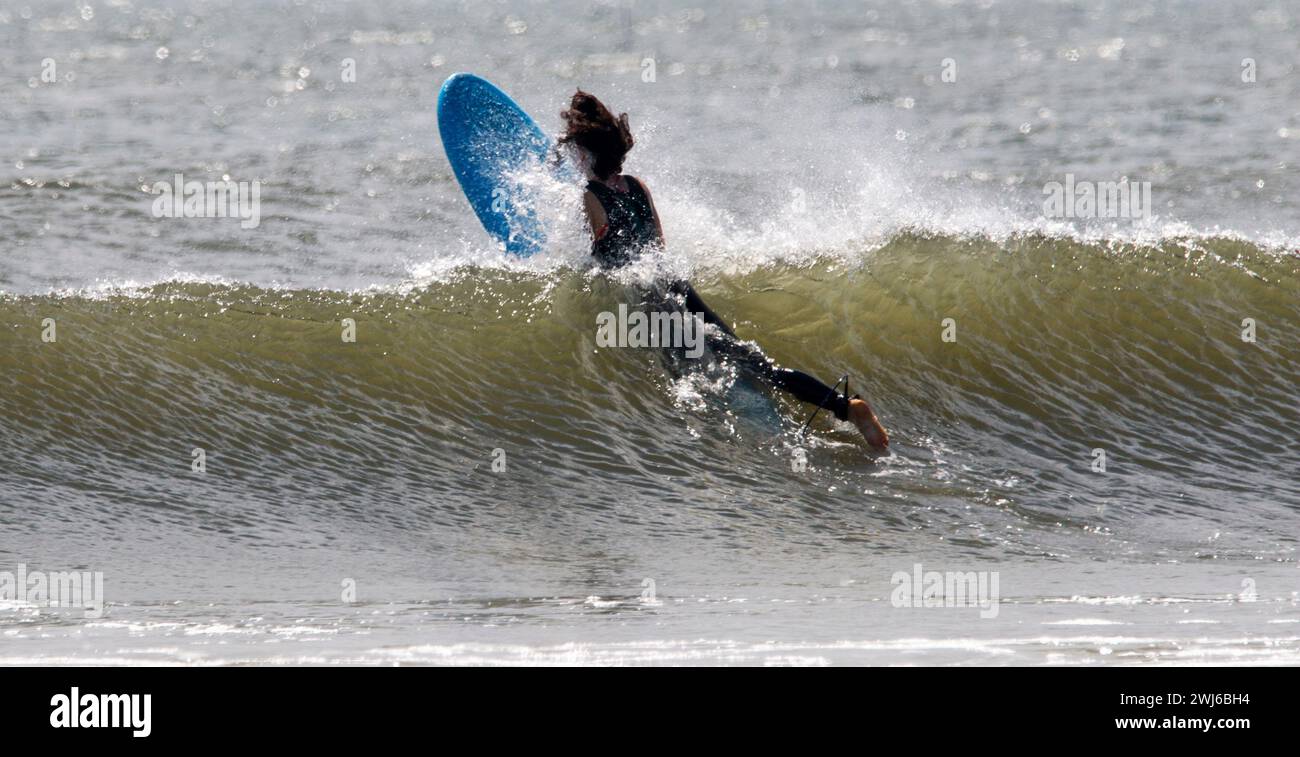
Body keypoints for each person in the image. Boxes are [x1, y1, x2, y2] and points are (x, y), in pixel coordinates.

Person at [559, 90, 888, 450]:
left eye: (575, 149)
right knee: (753, 360)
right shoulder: (638, 186)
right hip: (677, 286)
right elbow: (658, 246)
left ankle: (771, 443)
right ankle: (844, 407)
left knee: (690, 369)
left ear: (586, 152)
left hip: (649, 301)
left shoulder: (589, 194)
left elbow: (596, 254)